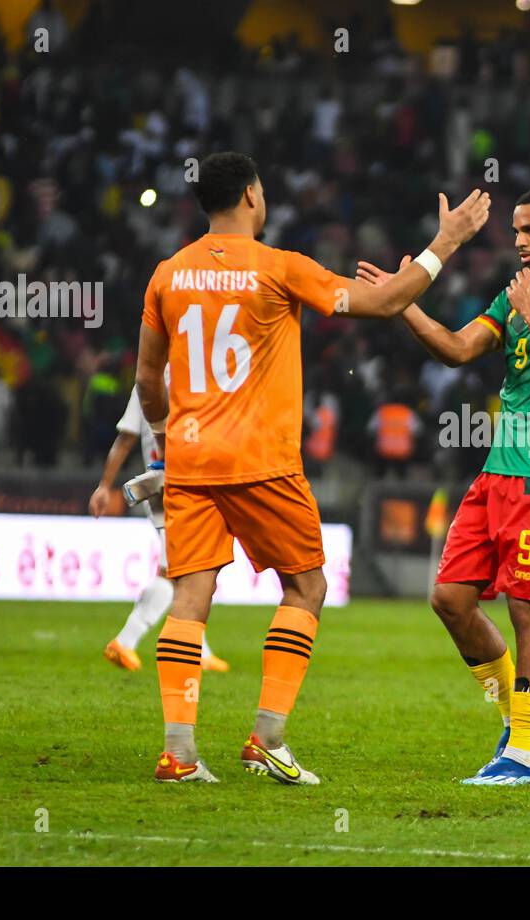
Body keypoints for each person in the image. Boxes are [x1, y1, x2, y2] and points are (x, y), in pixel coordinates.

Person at [136, 151, 489, 783]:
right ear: (250, 195)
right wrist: (446, 241)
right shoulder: (280, 268)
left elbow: (145, 379)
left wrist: (167, 435)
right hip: (262, 460)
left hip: (190, 461)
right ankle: (266, 738)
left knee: (190, 595)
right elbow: (384, 304)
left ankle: (179, 753)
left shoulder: (167, 274)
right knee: (306, 587)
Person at [358, 185, 530, 786]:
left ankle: (520, 757)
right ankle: (520, 717)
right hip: (498, 473)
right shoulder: (515, 296)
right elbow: (456, 349)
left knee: (528, 610)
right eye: (515, 231)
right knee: (450, 599)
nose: (519, 241)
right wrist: (401, 303)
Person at [89, 382, 229, 674]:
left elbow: (125, 438)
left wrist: (104, 486)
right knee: (175, 572)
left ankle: (199, 648)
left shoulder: (148, 377)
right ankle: (126, 640)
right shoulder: (186, 375)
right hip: (174, 485)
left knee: (192, 569)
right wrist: (103, 486)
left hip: (166, 484)